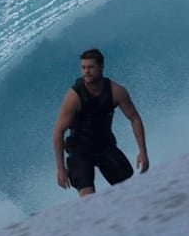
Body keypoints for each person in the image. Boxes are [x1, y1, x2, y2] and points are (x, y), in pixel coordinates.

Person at [52, 47, 149, 196]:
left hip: (105, 145)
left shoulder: (116, 91)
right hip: (79, 149)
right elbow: (58, 132)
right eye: (83, 68)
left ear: (101, 67)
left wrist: (143, 152)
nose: (86, 71)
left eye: (91, 67)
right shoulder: (74, 96)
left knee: (130, 190)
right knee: (88, 198)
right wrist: (60, 169)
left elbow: (134, 118)